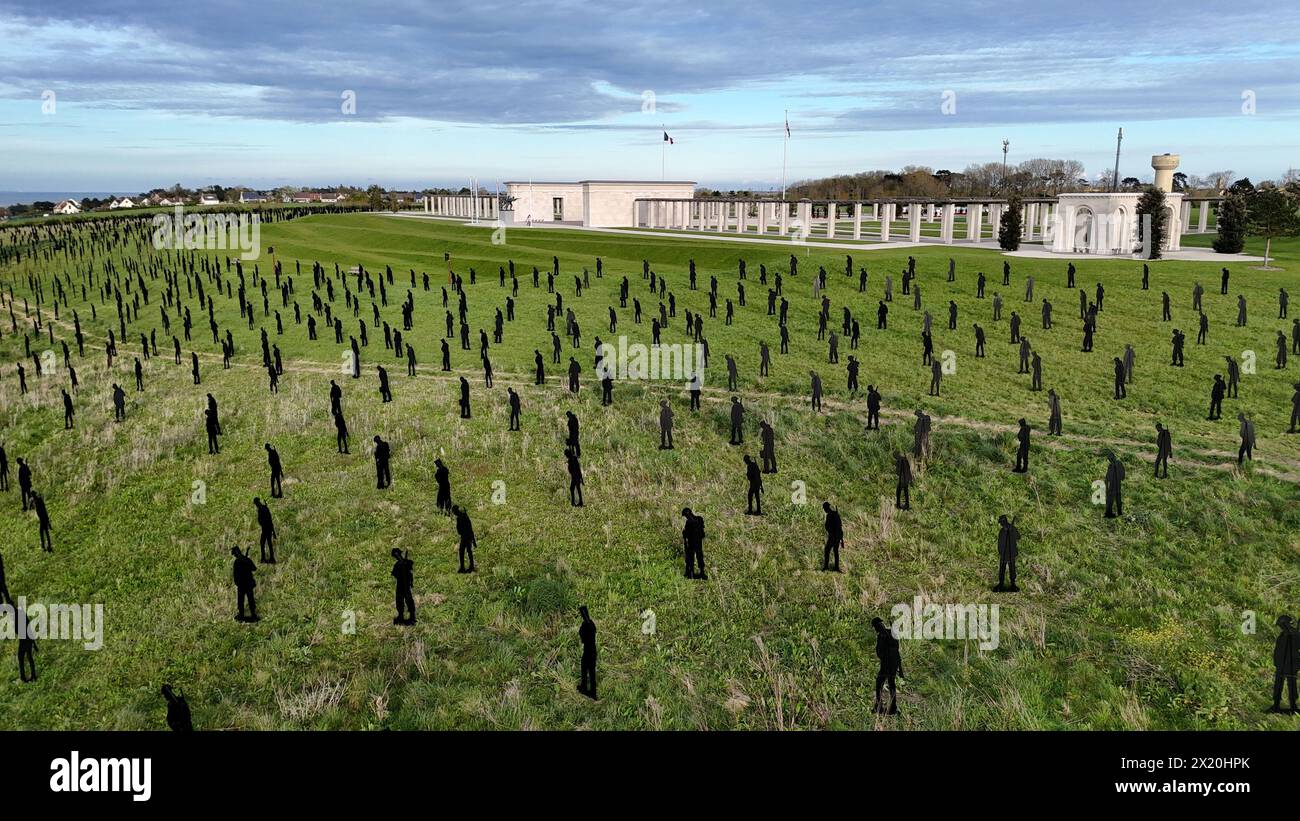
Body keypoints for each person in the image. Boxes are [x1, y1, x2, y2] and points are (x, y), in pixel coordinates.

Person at [872, 617, 902, 715]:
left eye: (877, 626)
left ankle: (885, 707)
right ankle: (887, 707)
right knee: (888, 684)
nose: (876, 628)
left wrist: (899, 667)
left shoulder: (886, 635)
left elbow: (895, 651)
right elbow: (896, 652)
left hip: (888, 664)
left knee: (883, 683)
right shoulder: (884, 635)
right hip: (889, 664)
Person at [1269, 615, 1299, 713]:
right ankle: (1276, 705)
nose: (1280, 627)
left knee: (1292, 685)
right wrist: (1276, 662)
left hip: (1291, 664)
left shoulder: (1295, 634)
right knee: (1278, 685)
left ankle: (1293, 707)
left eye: (1281, 625)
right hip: (1281, 664)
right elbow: (1277, 650)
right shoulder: (1282, 636)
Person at [232, 547, 258, 622]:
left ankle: (243, 614)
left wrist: (247, 564)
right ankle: (251, 614)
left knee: (243, 599)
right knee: (249, 599)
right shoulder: (245, 560)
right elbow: (254, 568)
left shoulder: (237, 562)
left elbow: (253, 568)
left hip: (243, 584)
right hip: (246, 584)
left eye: (234, 554)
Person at [995, 515, 1020, 592]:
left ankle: (1013, 584)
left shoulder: (1012, 529)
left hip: (1011, 553)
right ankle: (1001, 583)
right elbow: (1000, 542)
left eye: (1002, 523)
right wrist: (1000, 552)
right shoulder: (1002, 531)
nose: (1001, 525)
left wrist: (1012, 532)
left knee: (1012, 568)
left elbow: (1018, 537)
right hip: (1003, 553)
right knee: (1002, 569)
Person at [391, 548, 416, 625]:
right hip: (400, 584)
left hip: (405, 583)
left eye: (397, 554)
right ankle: (401, 616)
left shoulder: (407, 563)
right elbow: (394, 574)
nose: (396, 556)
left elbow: (410, 573)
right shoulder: (398, 564)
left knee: (408, 599)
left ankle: (412, 616)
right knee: (399, 599)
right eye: (395, 555)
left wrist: (410, 582)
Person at [578, 606, 598, 699]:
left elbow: (583, 638)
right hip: (593, 651)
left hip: (588, 651)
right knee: (590, 671)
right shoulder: (591, 624)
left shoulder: (586, 625)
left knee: (586, 669)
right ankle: (590, 690)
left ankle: (586, 689)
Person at [453, 505, 477, 573]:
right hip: (466, 536)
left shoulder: (461, 517)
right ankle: (466, 567)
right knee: (466, 551)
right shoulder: (463, 516)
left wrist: (473, 539)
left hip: (466, 536)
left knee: (464, 551)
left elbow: (469, 528)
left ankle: (467, 567)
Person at [822, 501, 843, 572]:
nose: (824, 510)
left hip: (832, 536)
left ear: (826, 508)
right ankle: (836, 568)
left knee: (827, 550)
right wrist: (841, 538)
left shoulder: (829, 515)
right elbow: (840, 527)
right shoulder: (836, 514)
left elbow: (827, 526)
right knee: (836, 551)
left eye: (824, 508)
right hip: (837, 536)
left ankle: (826, 567)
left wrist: (829, 530)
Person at [254, 497, 276, 563]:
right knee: (269, 543)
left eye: (256, 503)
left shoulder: (261, 509)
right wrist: (273, 531)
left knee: (263, 543)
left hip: (266, 528)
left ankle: (264, 558)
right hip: (268, 528)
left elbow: (264, 520)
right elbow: (270, 519)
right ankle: (271, 558)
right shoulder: (264, 508)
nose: (256, 505)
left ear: (257, 502)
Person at [1104, 452, 1125, 518]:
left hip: (1112, 486)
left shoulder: (1111, 466)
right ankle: (1120, 512)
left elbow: (1108, 477)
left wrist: (1107, 485)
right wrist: (1121, 478)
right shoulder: (1119, 463)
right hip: (1118, 485)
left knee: (1110, 500)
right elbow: (1123, 473)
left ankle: (1109, 514)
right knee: (1118, 499)